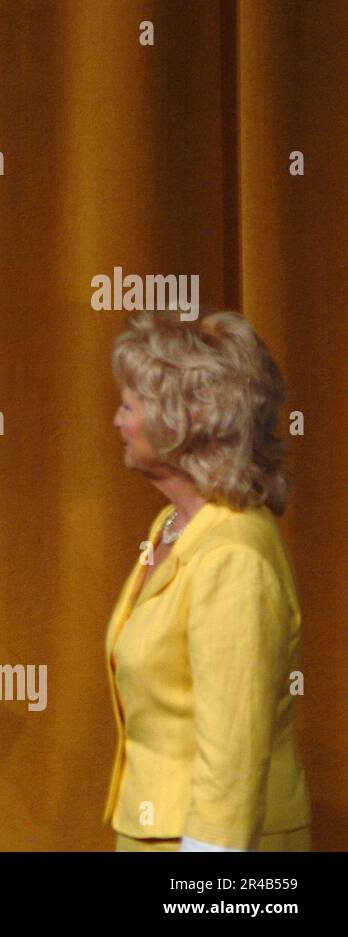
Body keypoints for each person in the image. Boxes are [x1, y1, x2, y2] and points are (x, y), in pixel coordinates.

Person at [105, 309, 311, 852]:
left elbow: (233, 755)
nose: (117, 422)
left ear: (182, 423)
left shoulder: (234, 556)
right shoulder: (174, 525)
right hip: (158, 832)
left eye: (129, 406)